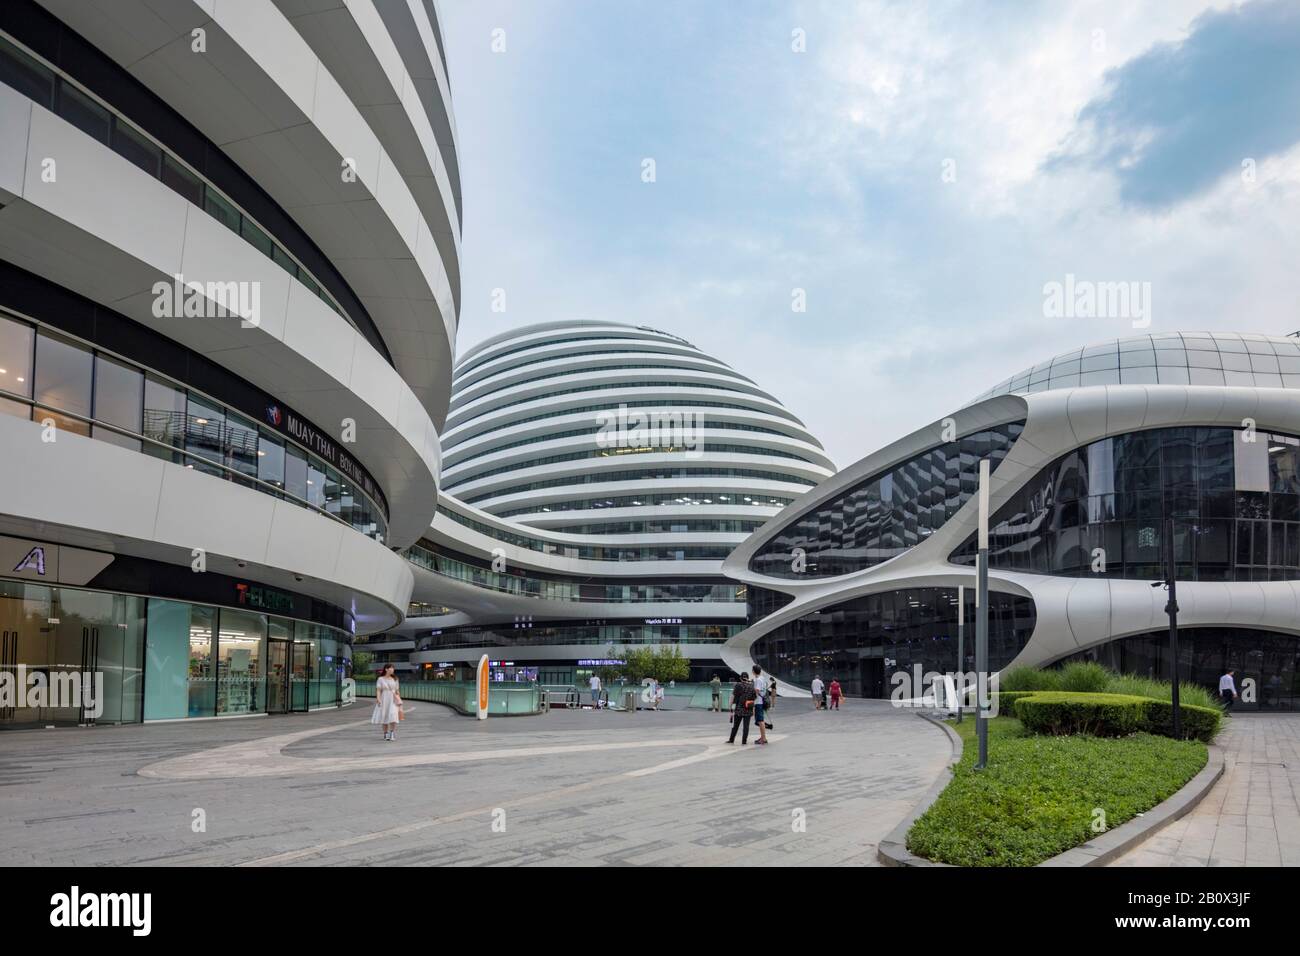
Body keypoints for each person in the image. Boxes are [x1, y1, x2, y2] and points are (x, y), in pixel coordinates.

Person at [371, 664, 402, 741]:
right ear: (386, 669)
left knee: (393, 715)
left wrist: (399, 699)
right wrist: (378, 699)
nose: (392, 670)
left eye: (393, 668)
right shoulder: (380, 679)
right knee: (384, 716)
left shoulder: (395, 679)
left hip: (393, 699)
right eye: (391, 668)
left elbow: (397, 690)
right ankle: (385, 733)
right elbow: (378, 690)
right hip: (384, 698)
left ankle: (392, 732)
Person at [728, 673, 755, 744]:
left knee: (735, 726)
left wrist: (730, 706)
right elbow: (754, 698)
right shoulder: (752, 686)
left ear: (740, 678)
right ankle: (744, 741)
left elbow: (733, 696)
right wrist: (753, 710)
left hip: (739, 709)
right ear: (748, 678)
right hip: (748, 709)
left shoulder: (738, 685)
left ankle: (731, 739)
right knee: (746, 727)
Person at [751, 665, 769, 744]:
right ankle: (762, 737)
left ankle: (763, 738)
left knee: (760, 720)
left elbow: (757, 691)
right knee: (760, 720)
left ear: (753, 671)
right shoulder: (762, 679)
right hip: (762, 701)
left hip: (759, 702)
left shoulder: (758, 680)